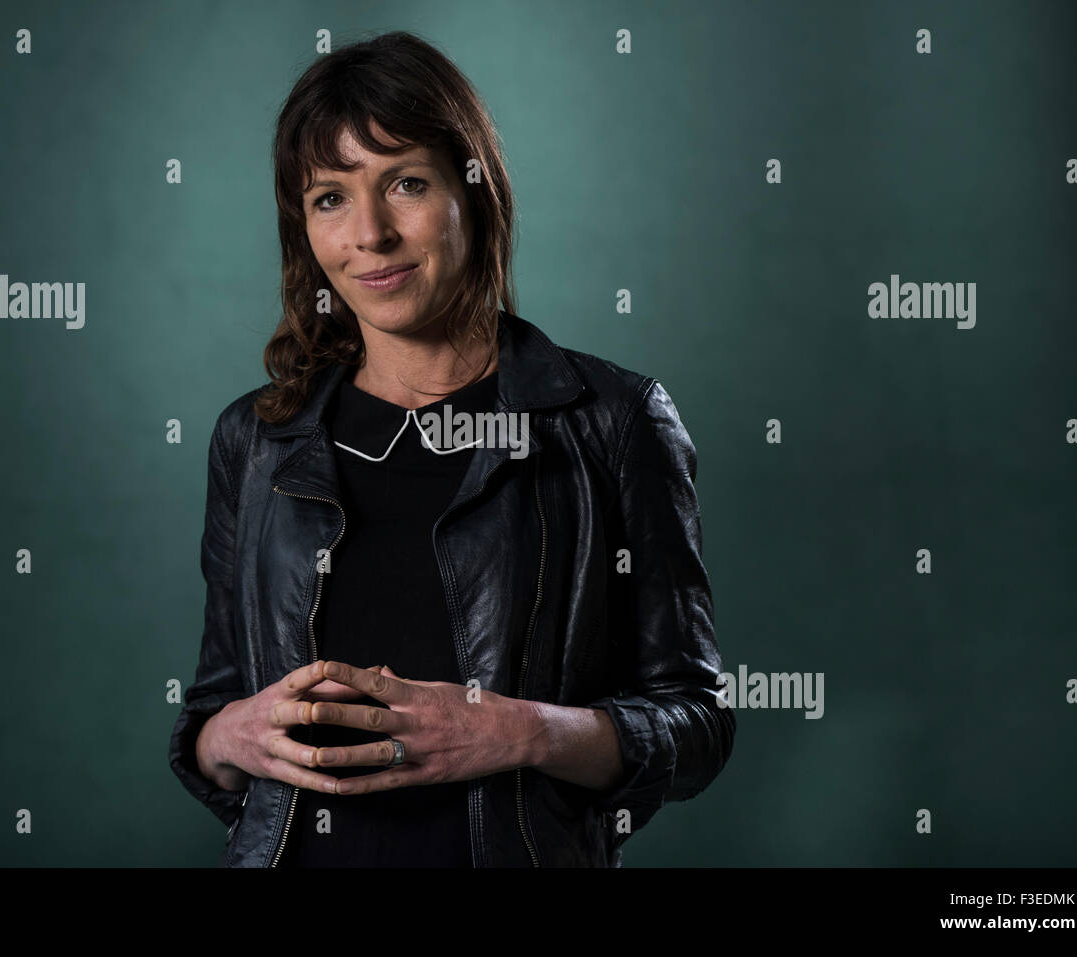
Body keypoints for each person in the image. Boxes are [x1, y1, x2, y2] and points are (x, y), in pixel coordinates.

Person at [168, 30, 734, 867]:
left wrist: (520, 730)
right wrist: (231, 732)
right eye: (329, 197)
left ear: (475, 191)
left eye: (405, 183)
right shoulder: (253, 440)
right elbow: (210, 721)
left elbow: (696, 721)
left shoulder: (613, 421)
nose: (370, 233)